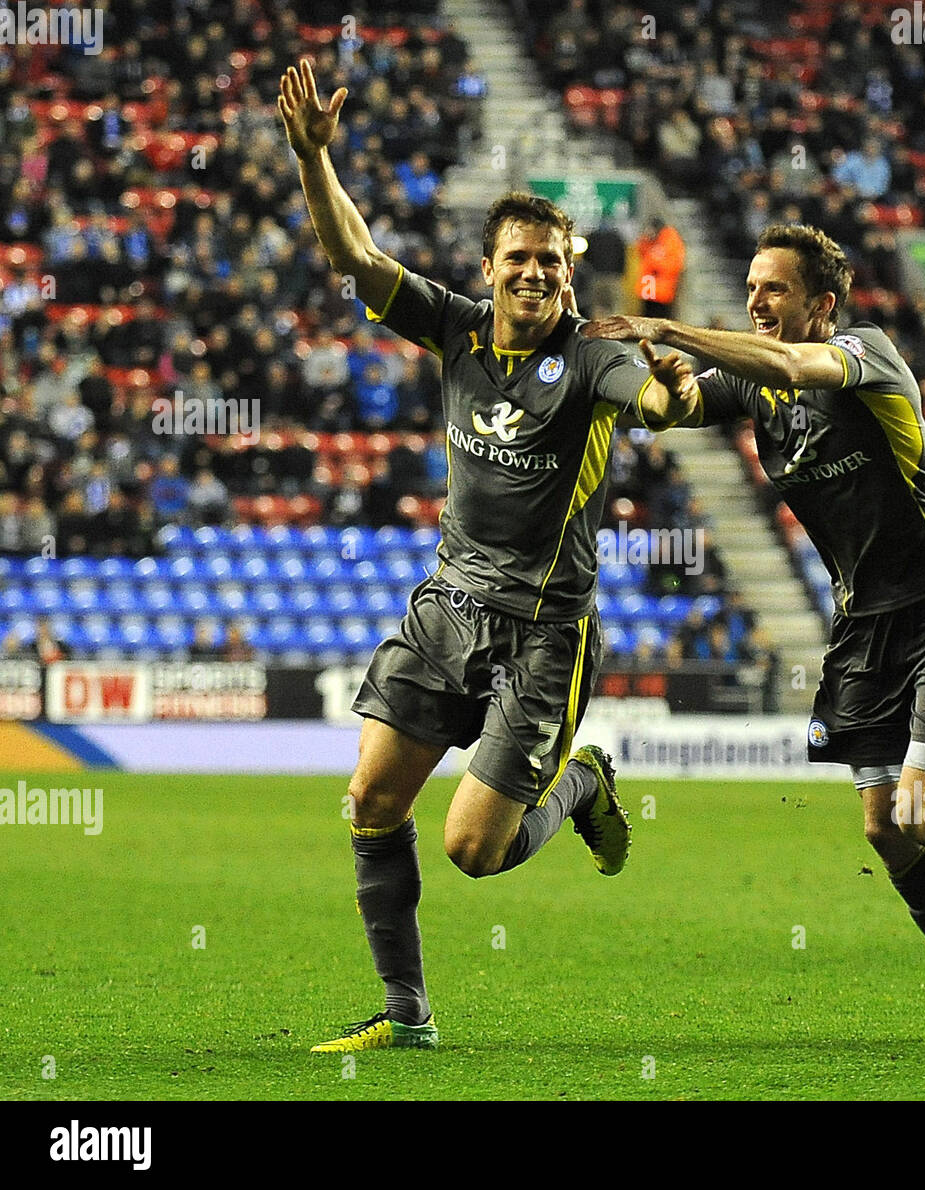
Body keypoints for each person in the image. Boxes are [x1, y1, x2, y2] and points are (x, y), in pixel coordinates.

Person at [278, 58, 698, 1054]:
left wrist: (675, 391)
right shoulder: (456, 329)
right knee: (372, 800)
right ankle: (407, 1011)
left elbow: (653, 400)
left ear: (569, 269)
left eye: (552, 260)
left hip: (543, 635)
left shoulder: (592, 354)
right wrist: (312, 161)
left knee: (475, 847)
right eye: (518, 258)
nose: (535, 274)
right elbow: (357, 255)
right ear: (489, 266)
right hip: (446, 606)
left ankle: (582, 784)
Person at [583, 223, 925, 1044]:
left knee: (924, 815)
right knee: (886, 830)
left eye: (772, 289)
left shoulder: (867, 354)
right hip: (862, 623)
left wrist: (667, 325)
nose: (754, 301)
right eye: (749, 287)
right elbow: (674, 410)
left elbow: (785, 364)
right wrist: (659, 377)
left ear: (821, 305)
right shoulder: (755, 387)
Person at [635, 217, 686, 318]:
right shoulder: (649, 241)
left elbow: (675, 265)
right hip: (648, 289)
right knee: (646, 320)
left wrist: (656, 264)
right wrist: (646, 239)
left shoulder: (671, 240)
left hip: (663, 292)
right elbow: (641, 251)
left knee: (661, 321)